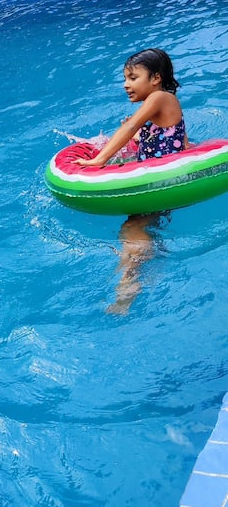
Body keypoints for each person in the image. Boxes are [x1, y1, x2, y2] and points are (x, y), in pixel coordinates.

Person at [75, 48, 187, 313]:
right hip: (157, 180)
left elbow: (129, 127)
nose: (126, 84)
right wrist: (141, 139)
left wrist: (98, 160)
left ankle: (128, 288)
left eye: (133, 77)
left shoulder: (160, 97)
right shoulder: (161, 105)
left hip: (158, 183)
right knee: (135, 226)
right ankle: (139, 274)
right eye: (125, 78)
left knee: (132, 228)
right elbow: (178, 141)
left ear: (156, 78)